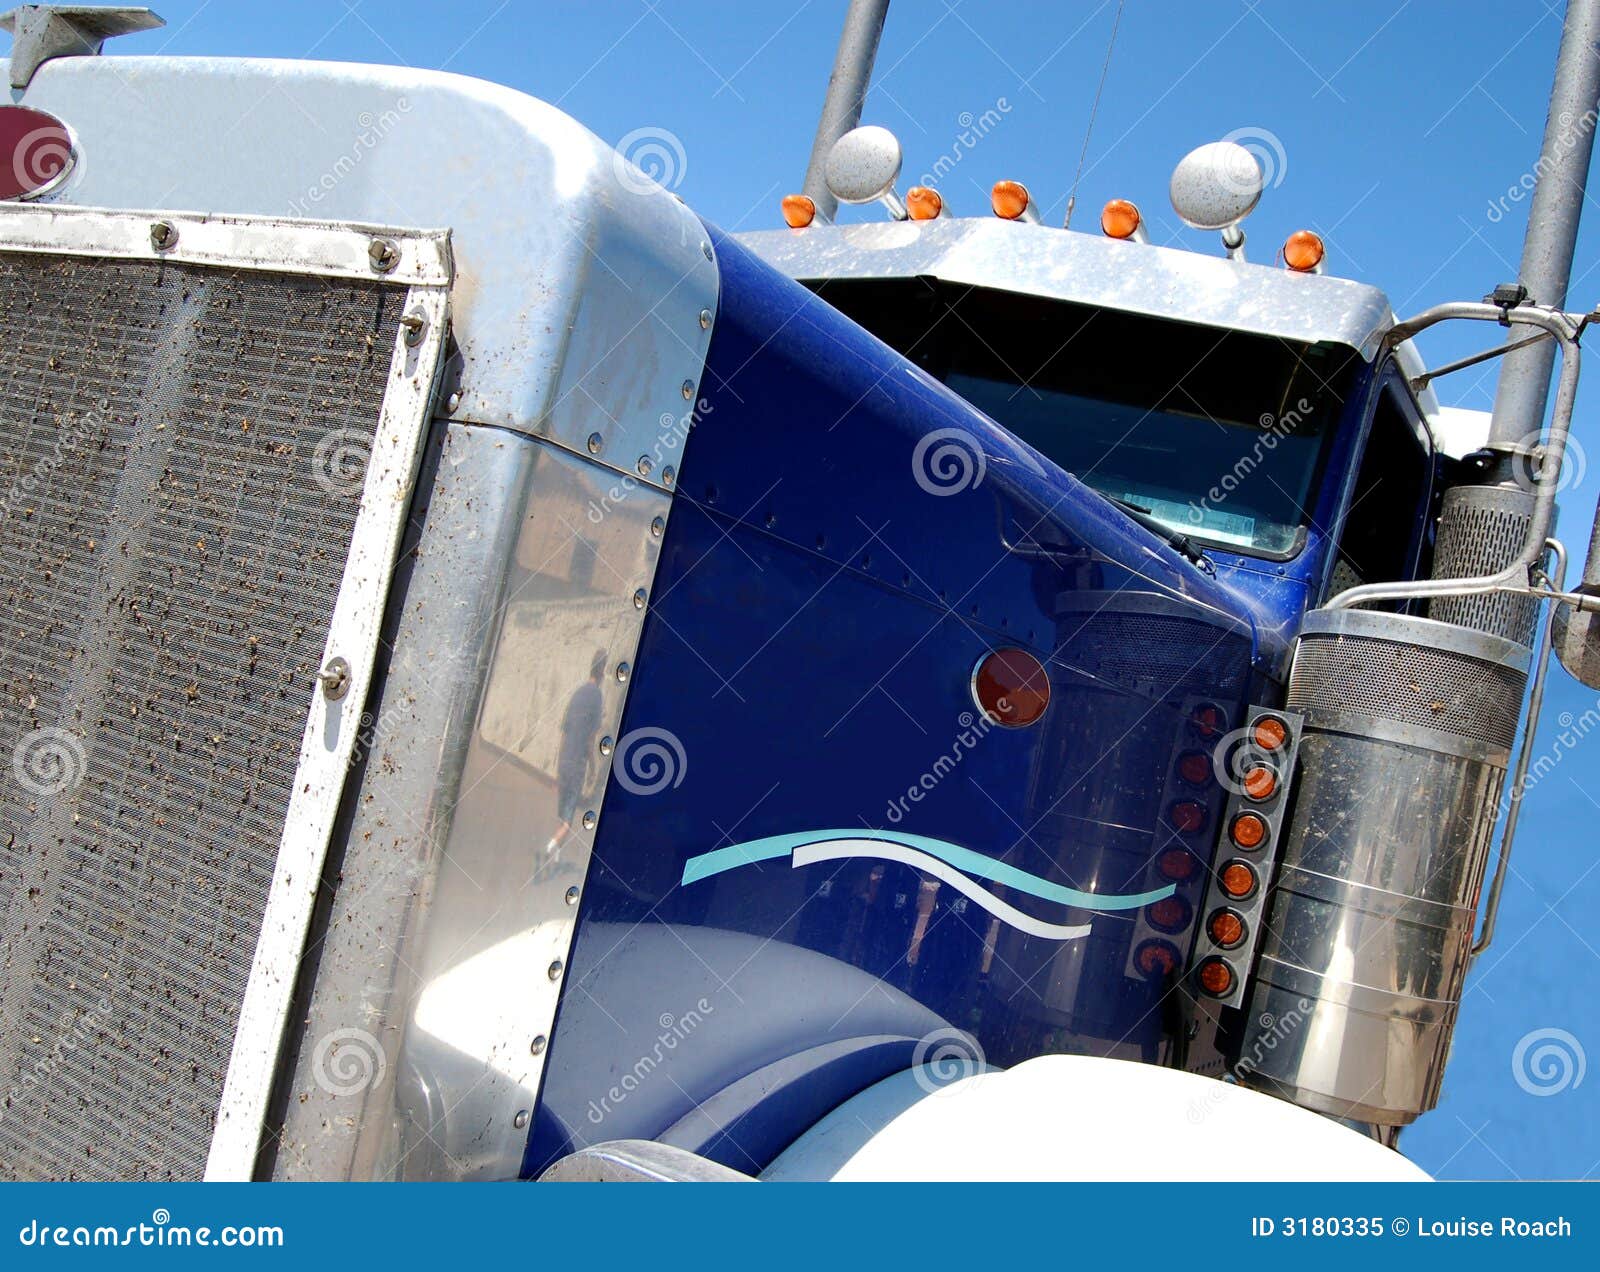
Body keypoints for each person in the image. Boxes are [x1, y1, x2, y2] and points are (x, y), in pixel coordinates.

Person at [545, 651, 606, 857]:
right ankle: (549, 848)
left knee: (561, 816)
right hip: (577, 765)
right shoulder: (597, 697)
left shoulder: (578, 693)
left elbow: (564, 732)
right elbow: (590, 740)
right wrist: (593, 768)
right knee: (567, 822)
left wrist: (558, 768)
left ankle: (555, 854)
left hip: (564, 762)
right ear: (602, 671)